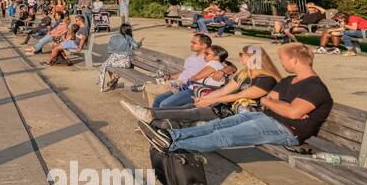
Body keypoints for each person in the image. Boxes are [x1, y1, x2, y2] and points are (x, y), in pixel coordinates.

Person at [133, 43, 333, 154]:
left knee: (224, 136)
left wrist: (283, 107)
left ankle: (172, 143)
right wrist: (280, 106)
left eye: (284, 59)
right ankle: (170, 135)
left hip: (288, 130)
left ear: (295, 60)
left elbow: (290, 112)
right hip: (268, 118)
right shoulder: (289, 80)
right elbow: (267, 101)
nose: (282, 63)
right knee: (216, 126)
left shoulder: (315, 88)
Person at [125, 44, 280, 125]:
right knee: (190, 108)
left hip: (240, 113)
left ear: (254, 58)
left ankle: (150, 115)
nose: (240, 57)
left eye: (243, 55)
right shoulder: (243, 74)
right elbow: (224, 90)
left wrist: (209, 100)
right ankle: (155, 122)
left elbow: (240, 95)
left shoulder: (267, 79)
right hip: (225, 107)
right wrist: (207, 99)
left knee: (193, 112)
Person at [150, 34, 223, 109]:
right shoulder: (192, 57)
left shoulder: (210, 58)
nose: (191, 45)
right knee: (157, 100)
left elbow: (229, 66)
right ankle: (154, 118)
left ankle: (167, 119)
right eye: (191, 43)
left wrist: (222, 71)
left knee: (165, 105)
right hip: (181, 86)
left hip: (193, 89)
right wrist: (170, 77)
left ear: (204, 45)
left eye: (194, 43)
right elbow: (185, 73)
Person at [99, 23, 140, 90]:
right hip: (124, 61)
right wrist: (139, 43)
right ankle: (115, 79)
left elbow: (109, 49)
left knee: (109, 65)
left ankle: (114, 80)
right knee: (122, 65)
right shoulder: (128, 37)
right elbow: (136, 45)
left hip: (114, 58)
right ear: (129, 31)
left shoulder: (114, 37)